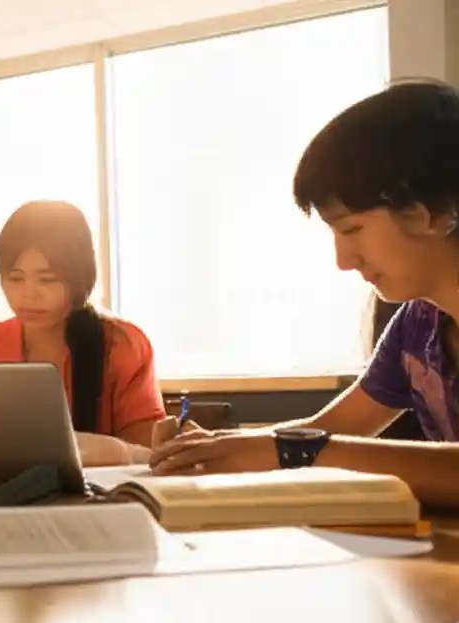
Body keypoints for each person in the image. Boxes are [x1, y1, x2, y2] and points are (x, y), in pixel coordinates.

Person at [149, 81, 459, 509]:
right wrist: (217, 445)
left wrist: (298, 451)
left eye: (352, 230)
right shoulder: (416, 325)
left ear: (436, 213)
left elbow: (319, 445)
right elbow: (331, 429)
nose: (344, 260)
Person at [0, 201, 165, 449]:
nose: (29, 294)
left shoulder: (122, 345)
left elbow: (144, 451)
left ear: (80, 278)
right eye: (16, 278)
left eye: (47, 279)